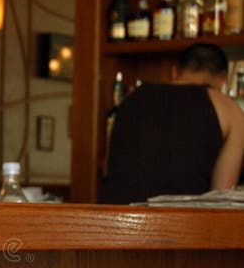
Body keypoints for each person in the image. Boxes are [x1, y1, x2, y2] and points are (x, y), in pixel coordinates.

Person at [99, 43, 244, 204]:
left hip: (112, 214)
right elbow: (222, 197)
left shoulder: (131, 99)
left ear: (175, 72)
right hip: (180, 217)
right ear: (223, 79)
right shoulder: (229, 109)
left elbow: (108, 169)